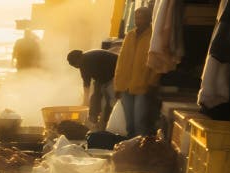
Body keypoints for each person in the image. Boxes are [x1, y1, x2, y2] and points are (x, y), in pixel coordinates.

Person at [114, 7, 160, 138]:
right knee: (129, 124)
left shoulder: (153, 37)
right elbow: (121, 61)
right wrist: (117, 85)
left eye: (141, 18)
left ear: (149, 19)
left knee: (140, 122)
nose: (138, 21)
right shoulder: (129, 35)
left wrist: (152, 83)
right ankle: (131, 146)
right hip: (125, 86)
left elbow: (157, 62)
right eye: (136, 18)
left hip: (143, 86)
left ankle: (141, 147)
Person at [67, 48, 118, 128]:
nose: (76, 67)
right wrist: (85, 100)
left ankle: (104, 121)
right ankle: (94, 118)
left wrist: (85, 101)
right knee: (96, 95)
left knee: (108, 98)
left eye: (75, 65)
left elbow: (91, 82)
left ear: (77, 60)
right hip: (105, 75)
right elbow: (87, 83)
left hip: (116, 72)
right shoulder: (84, 59)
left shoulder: (86, 61)